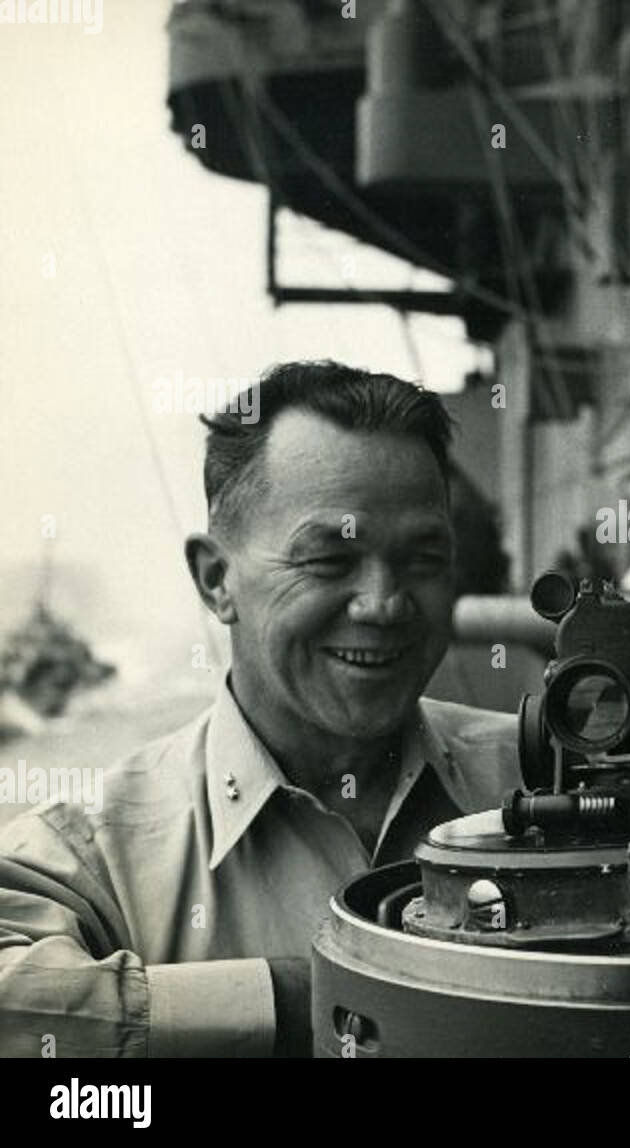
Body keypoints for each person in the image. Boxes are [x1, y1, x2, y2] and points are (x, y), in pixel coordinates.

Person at [0, 362, 521, 1056]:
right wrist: (299, 997)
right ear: (217, 581)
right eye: (331, 562)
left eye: (424, 559)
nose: (384, 603)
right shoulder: (94, 856)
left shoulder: (547, 780)